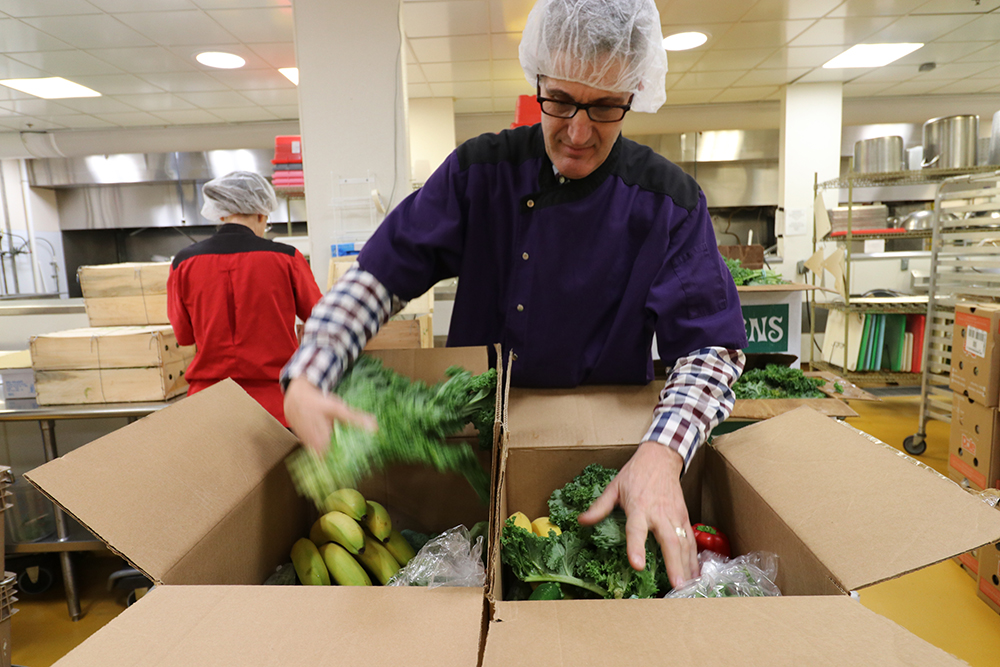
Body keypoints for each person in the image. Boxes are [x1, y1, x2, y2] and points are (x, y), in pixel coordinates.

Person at [281, 0, 747, 589]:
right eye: (561, 101)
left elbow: (711, 349)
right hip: (478, 448)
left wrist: (663, 453)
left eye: (605, 107)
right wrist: (312, 369)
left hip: (602, 457)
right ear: (538, 80)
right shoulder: (480, 172)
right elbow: (382, 274)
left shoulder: (667, 201)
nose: (578, 132)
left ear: (633, 94)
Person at [167, 170, 322, 427]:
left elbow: (184, 336)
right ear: (261, 214)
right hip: (276, 406)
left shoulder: (183, 263)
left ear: (222, 214)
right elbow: (321, 318)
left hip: (209, 406)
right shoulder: (287, 258)